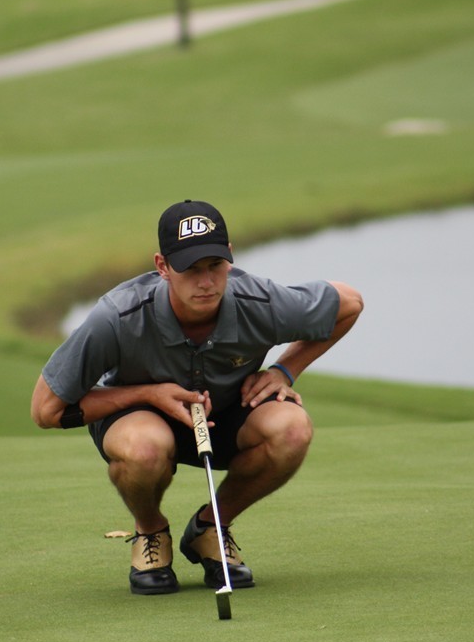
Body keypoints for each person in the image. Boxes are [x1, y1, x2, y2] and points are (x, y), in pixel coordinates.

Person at [30, 199, 363, 595]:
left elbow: (349, 303)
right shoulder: (117, 317)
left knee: (292, 428)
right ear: (162, 266)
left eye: (215, 267)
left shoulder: (260, 301)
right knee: (144, 448)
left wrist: (284, 370)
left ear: (230, 259)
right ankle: (151, 532)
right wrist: (149, 394)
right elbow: (46, 411)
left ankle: (209, 528)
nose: (206, 282)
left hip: (227, 417)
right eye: (190, 270)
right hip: (140, 423)